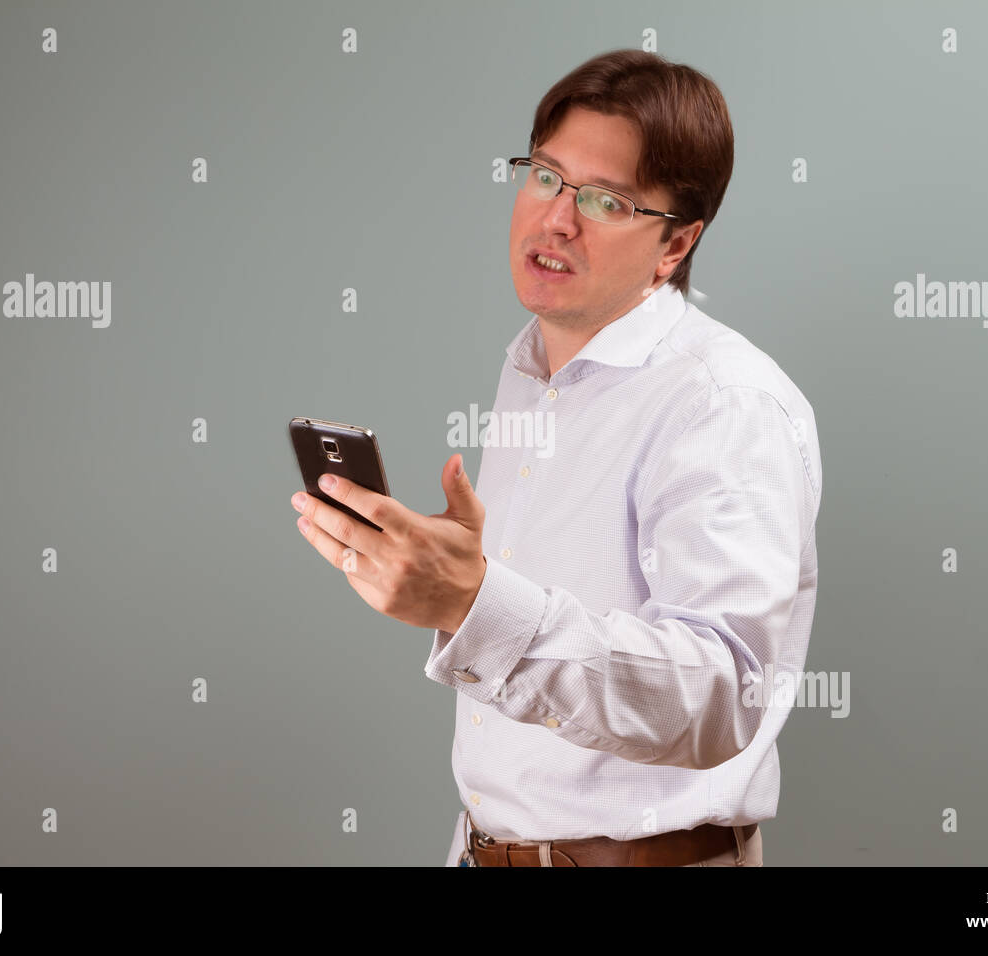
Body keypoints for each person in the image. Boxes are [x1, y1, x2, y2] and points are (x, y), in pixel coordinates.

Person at [291, 49, 822, 867]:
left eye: (606, 201)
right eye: (545, 177)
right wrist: (454, 569)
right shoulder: (533, 367)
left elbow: (721, 693)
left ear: (676, 243)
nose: (558, 220)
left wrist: (474, 603)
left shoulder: (724, 402)